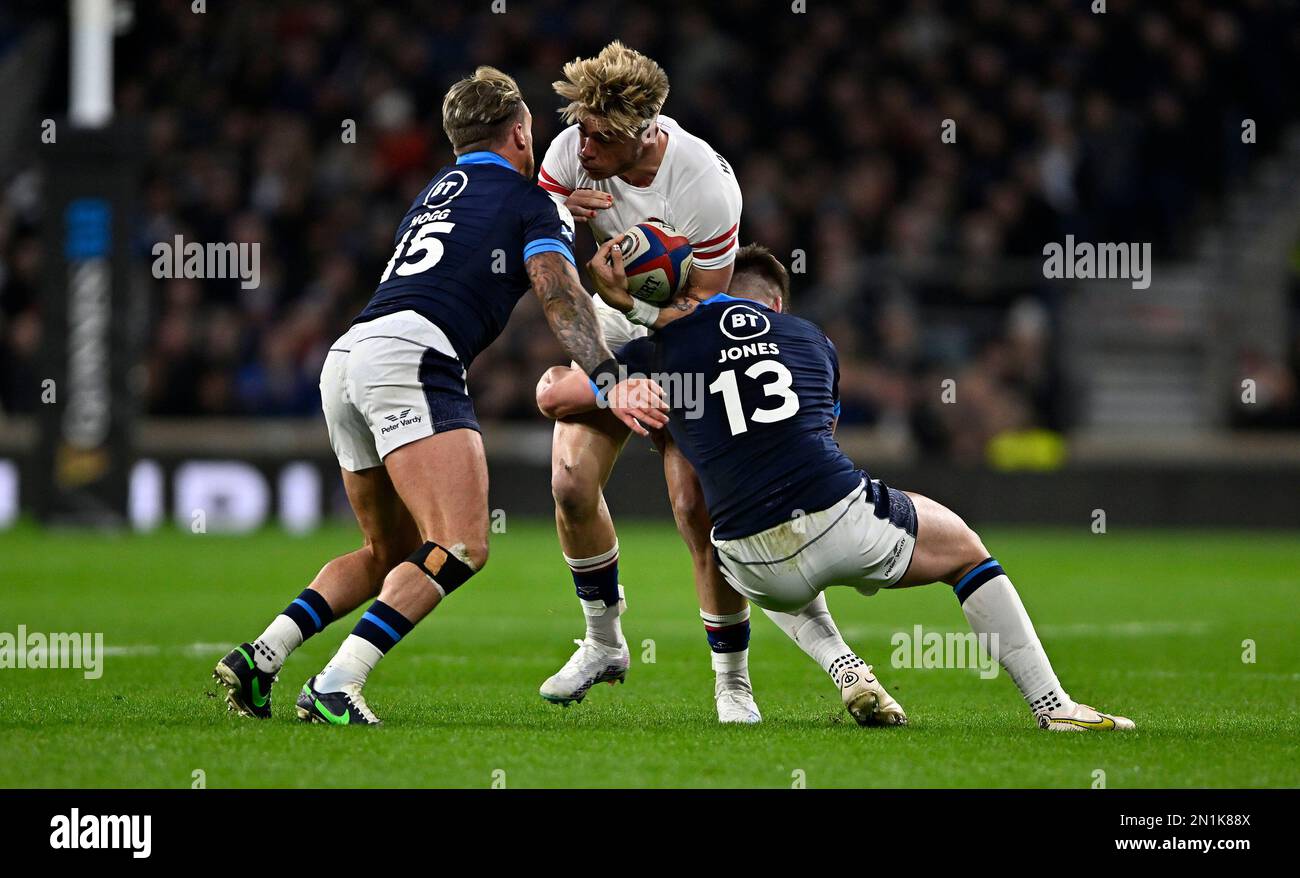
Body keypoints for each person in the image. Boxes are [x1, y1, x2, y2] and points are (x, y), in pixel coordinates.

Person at [212, 66, 667, 725]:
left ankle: (263, 654)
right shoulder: (526, 202)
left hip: (348, 356)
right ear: (520, 132)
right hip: (412, 358)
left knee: (387, 555)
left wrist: (560, 211)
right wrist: (607, 374)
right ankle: (338, 684)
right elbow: (559, 295)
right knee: (460, 545)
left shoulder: (433, 192)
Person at [536, 240, 1136, 732]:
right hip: (839, 521)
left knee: (749, 543)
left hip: (750, 566)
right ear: (776, 302)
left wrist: (620, 343)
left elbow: (550, 395)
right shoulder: (811, 340)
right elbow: (818, 427)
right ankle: (1053, 706)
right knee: (967, 552)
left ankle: (804, 676)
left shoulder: (657, 353)